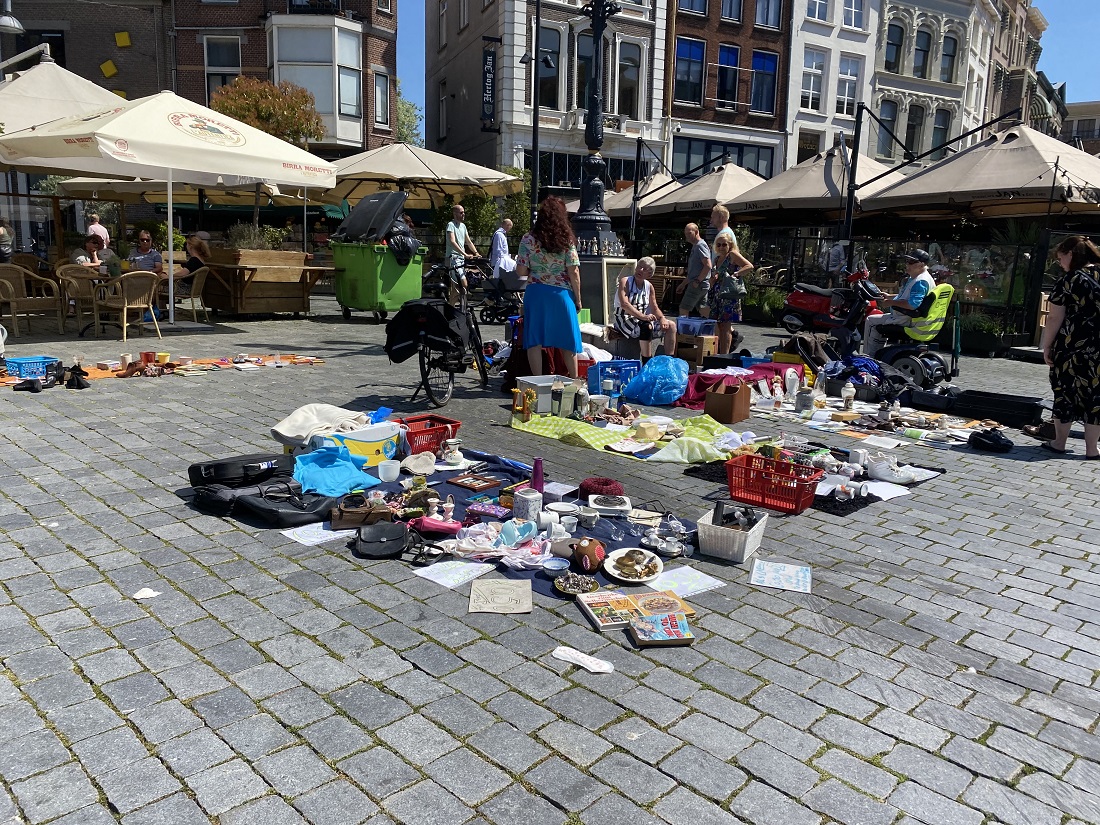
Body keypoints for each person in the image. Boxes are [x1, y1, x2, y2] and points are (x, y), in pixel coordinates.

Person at [1038, 235, 1100, 459]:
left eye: (1061, 258)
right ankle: (1092, 449)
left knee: (1065, 393)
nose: (1060, 263)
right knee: (1095, 397)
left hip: (1072, 346)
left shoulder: (1070, 280)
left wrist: (1047, 346)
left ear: (1071, 255)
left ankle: (1059, 442)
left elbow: (1054, 318)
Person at [515, 196, 582, 378]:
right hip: (561, 294)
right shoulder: (567, 239)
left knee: (534, 341)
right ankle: (575, 384)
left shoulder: (528, 238)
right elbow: (574, 271)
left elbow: (520, 270)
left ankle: (537, 384)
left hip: (536, 293)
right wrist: (578, 299)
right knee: (568, 342)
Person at [862, 248, 935, 358]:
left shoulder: (920, 282)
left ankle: (869, 357)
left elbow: (912, 305)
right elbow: (909, 297)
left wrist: (890, 303)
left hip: (904, 319)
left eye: (911, 262)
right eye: (907, 261)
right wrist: (890, 296)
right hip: (907, 317)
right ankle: (878, 354)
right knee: (877, 321)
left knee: (870, 321)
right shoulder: (919, 278)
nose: (907, 264)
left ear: (921, 264)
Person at [613, 256, 676, 362]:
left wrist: (662, 318)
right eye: (639, 267)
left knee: (671, 325)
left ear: (649, 274)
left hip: (642, 319)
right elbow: (624, 304)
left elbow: (654, 307)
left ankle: (670, 361)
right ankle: (647, 361)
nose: (640, 270)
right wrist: (643, 316)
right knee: (646, 326)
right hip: (625, 318)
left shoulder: (649, 286)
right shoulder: (626, 281)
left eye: (645, 269)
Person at [708, 234, 754, 355]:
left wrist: (736, 274)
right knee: (718, 325)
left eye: (724, 244)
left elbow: (749, 266)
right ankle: (719, 353)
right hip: (717, 295)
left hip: (728, 295)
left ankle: (724, 355)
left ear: (730, 245)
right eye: (719, 244)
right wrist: (713, 279)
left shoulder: (732, 255)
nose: (722, 247)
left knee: (726, 327)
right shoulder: (717, 259)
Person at [677, 223, 712, 318]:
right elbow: (694, 271)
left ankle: (683, 332)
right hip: (701, 284)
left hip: (698, 285)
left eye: (689, 233)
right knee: (703, 310)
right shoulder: (696, 246)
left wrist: (697, 281)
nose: (686, 236)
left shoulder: (700, 246)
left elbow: (708, 265)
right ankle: (713, 329)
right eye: (685, 234)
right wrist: (683, 284)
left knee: (684, 308)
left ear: (696, 232)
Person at [164, 233, 209, 298]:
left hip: (183, 289)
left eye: (187, 245)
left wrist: (169, 276)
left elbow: (183, 273)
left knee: (157, 287)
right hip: (192, 289)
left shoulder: (194, 260)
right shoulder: (201, 260)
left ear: (190, 246)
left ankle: (156, 307)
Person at [445, 204, 480, 290]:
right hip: (452, 258)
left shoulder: (463, 226)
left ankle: (455, 303)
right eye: (461, 213)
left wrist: (476, 253)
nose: (463, 214)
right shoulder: (451, 225)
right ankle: (461, 302)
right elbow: (452, 242)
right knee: (463, 284)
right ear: (455, 214)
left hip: (461, 259)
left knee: (458, 287)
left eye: (464, 212)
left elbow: (468, 242)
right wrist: (465, 254)